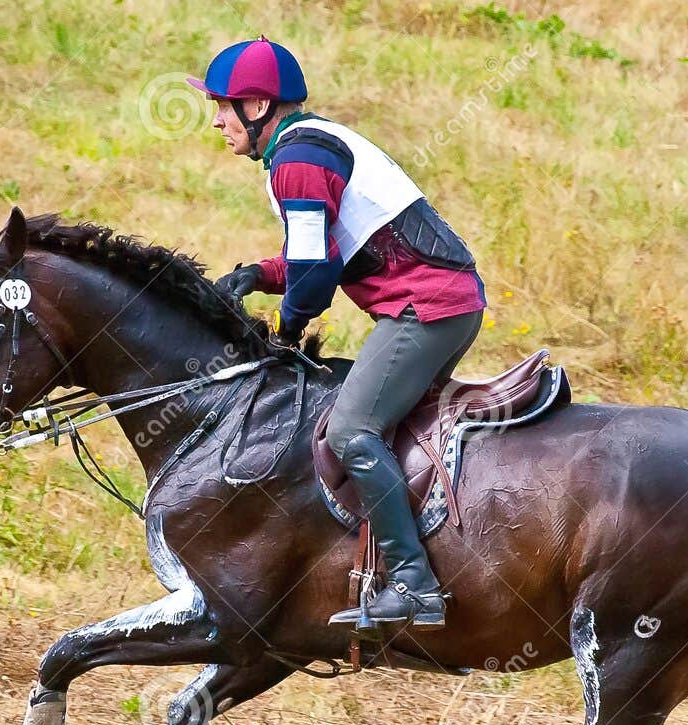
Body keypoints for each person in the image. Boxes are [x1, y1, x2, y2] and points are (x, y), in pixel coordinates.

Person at [188, 37, 487, 633]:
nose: (217, 120)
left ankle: (414, 584)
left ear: (257, 106)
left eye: (224, 105)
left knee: (351, 429)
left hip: (422, 309)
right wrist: (257, 275)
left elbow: (318, 272)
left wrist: (287, 330)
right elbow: (315, 254)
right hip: (441, 303)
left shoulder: (297, 161)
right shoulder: (306, 146)